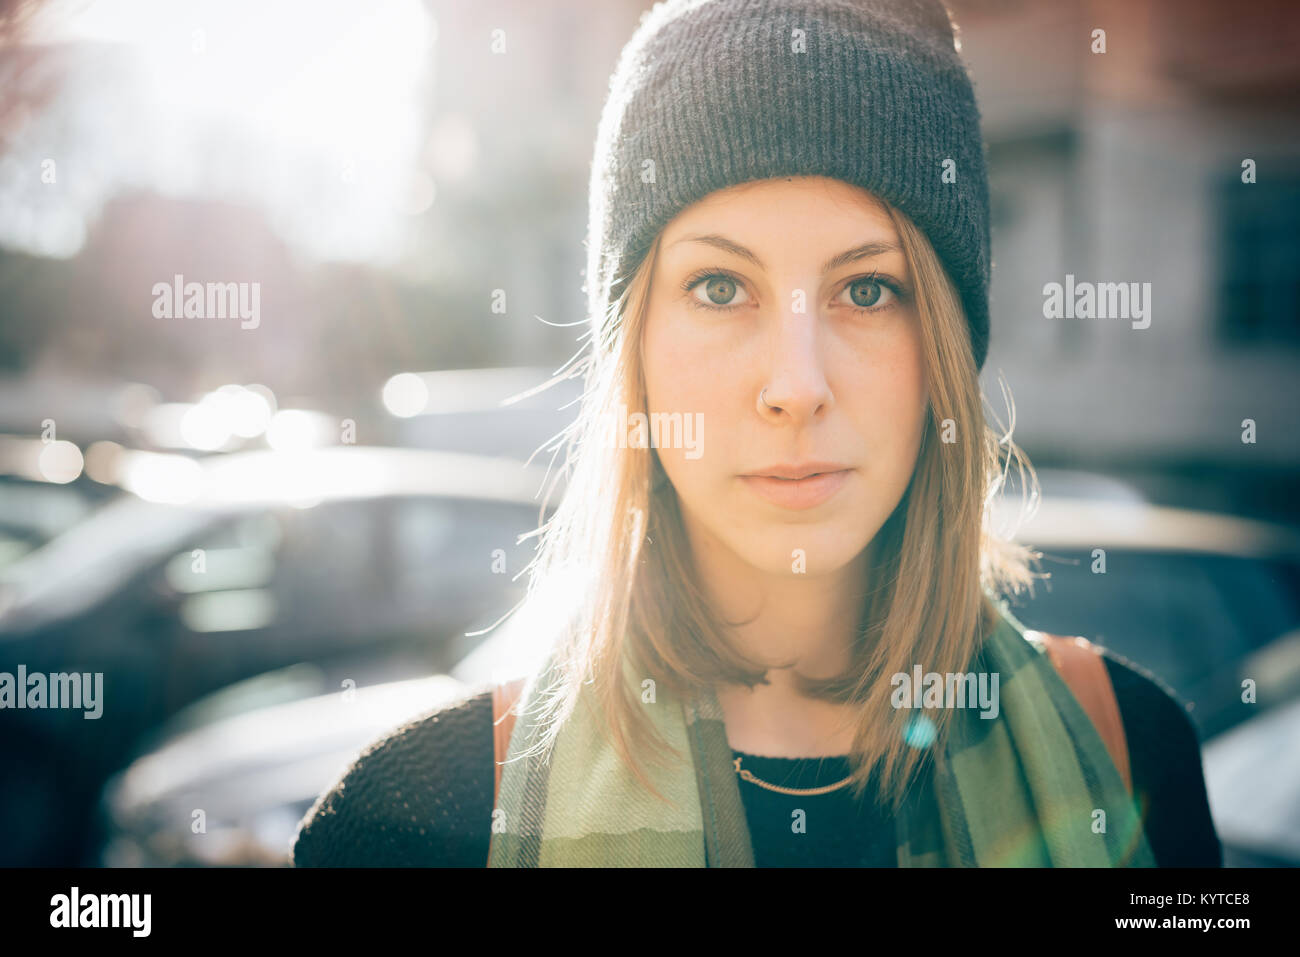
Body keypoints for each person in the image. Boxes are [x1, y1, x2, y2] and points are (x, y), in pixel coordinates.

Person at [292, 0, 1220, 867]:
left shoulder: (1130, 755)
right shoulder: (423, 818)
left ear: (942, 347)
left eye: (868, 290)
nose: (796, 385)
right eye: (719, 288)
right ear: (635, 348)